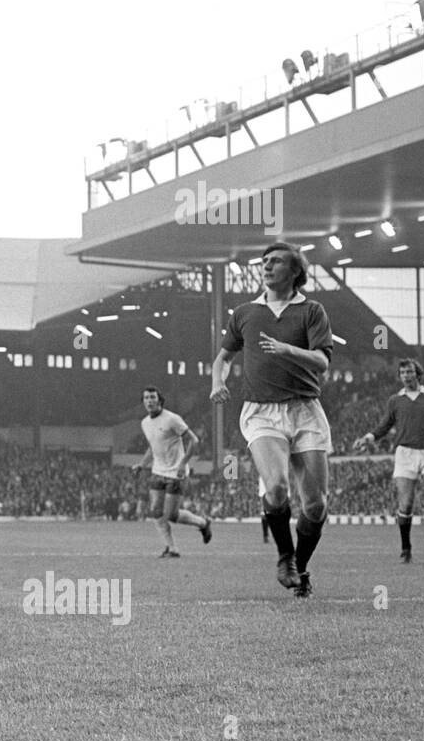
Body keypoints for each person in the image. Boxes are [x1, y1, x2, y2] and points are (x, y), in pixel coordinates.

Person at [211, 242, 333, 598]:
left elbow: (323, 362)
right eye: (264, 261)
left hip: (305, 409)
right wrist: (218, 381)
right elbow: (223, 358)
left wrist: (286, 350)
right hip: (262, 411)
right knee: (277, 487)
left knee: (316, 505)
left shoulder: (312, 310)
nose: (267, 266)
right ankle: (285, 557)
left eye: (276, 261)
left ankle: (301, 566)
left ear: (295, 271)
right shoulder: (246, 312)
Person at [352, 358, 424, 563]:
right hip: (405, 454)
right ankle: (406, 548)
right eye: (403, 373)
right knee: (405, 504)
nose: (406, 376)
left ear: (418, 374)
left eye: (409, 372)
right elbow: (384, 425)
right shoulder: (395, 401)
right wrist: (369, 437)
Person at [130, 387, 212, 558]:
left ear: (159, 400)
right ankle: (172, 548)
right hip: (157, 471)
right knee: (155, 511)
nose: (149, 401)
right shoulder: (145, 423)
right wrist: (141, 464)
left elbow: (193, 440)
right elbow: (153, 447)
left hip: (176, 473)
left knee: (172, 515)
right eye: (146, 398)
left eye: (152, 397)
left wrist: (183, 463)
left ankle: (203, 523)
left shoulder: (172, 419)